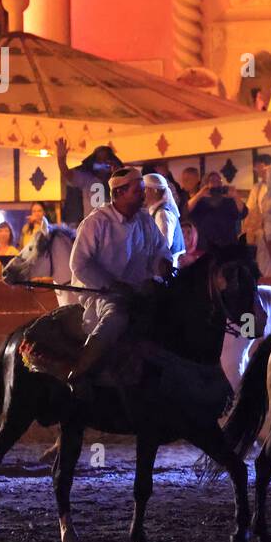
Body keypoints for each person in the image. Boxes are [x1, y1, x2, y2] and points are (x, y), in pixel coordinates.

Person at [66, 167, 175, 398]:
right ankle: (80, 372)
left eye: (143, 190)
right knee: (117, 316)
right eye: (138, 191)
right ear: (119, 193)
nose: (144, 196)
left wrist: (163, 265)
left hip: (139, 291)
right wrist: (114, 286)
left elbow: (160, 251)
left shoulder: (145, 220)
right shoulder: (96, 222)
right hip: (101, 293)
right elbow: (80, 264)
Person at [56, 138, 122, 225]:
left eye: (106, 160)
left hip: (113, 227)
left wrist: (117, 174)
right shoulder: (87, 179)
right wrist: (61, 159)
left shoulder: (119, 182)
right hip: (92, 226)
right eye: (99, 160)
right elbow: (67, 173)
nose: (102, 164)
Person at [186, 171, 247, 252]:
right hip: (205, 247)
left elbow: (243, 213)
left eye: (219, 181)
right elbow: (185, 210)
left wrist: (236, 196)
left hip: (228, 246)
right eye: (212, 181)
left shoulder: (228, 200)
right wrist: (199, 195)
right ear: (205, 184)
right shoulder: (199, 201)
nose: (216, 184)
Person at [144, 172, 187, 264]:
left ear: (154, 190)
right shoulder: (156, 211)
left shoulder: (162, 214)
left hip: (164, 268)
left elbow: (164, 245)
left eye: (144, 189)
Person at [243, 153, 271, 245]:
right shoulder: (256, 188)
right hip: (260, 229)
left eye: (256, 166)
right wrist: (246, 229)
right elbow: (249, 210)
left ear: (263, 166)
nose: (255, 169)